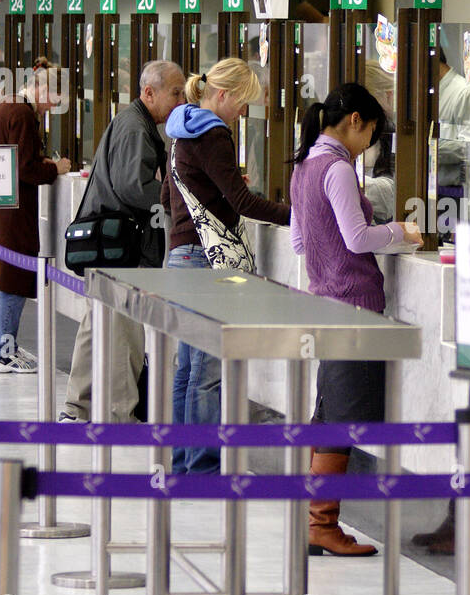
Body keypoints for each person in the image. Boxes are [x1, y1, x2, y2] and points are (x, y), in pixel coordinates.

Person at [289, 83, 422, 556]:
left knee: (328, 409)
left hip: (322, 301)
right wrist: (400, 232)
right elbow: (358, 237)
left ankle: (313, 521)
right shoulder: (338, 169)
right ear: (355, 122)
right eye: (371, 136)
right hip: (354, 306)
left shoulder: (303, 164)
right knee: (342, 417)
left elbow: (300, 244)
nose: (369, 147)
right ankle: (320, 524)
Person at [162, 59, 290, 472]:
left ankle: (182, 460)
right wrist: (297, 213)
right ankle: (202, 465)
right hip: (207, 259)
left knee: (187, 366)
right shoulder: (214, 135)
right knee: (207, 369)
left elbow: (168, 197)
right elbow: (243, 203)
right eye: (242, 102)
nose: (243, 112)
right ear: (223, 95)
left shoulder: (181, 131)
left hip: (180, 254)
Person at [59, 60, 183, 423]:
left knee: (95, 327)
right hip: (120, 247)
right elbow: (134, 187)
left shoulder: (135, 123)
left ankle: (76, 408)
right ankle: (119, 415)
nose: (179, 101)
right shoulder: (135, 128)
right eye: (174, 93)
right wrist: (175, 200)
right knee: (122, 334)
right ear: (149, 93)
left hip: (106, 246)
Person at [0, 63, 72, 372]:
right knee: (14, 280)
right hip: (16, 211)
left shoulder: (5, 103)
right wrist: (55, 168)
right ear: (41, 88)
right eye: (54, 98)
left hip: (1, 207)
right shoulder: (23, 114)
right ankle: (4, 352)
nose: (52, 106)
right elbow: (25, 169)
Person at [436, 31, 470, 232]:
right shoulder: (426, 93)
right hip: (430, 190)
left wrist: (432, 149)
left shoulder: (463, 91)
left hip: (455, 193)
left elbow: (469, 146)